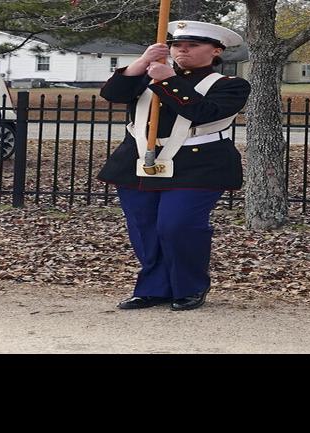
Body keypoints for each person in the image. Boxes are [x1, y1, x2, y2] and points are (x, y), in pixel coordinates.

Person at [96, 20, 250, 311]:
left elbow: (202, 112)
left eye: (193, 45)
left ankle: (189, 287)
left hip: (199, 163)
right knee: (145, 227)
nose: (182, 50)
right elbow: (113, 94)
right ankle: (154, 289)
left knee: (178, 225)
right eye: (177, 45)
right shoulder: (149, 74)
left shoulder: (230, 85)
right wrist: (142, 62)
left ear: (216, 50)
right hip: (139, 159)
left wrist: (167, 79)